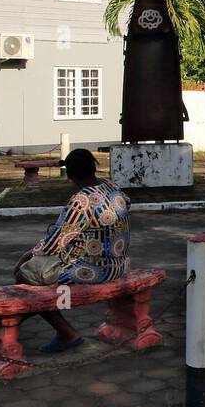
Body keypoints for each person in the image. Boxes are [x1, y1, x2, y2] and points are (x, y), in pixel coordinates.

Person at [13, 148, 130, 353]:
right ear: (94, 167)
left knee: (26, 275)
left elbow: (54, 243)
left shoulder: (81, 200)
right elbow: (127, 204)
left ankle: (66, 332)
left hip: (95, 269)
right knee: (37, 282)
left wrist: (27, 255)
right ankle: (22, 318)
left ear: (69, 176)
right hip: (120, 263)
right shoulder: (112, 187)